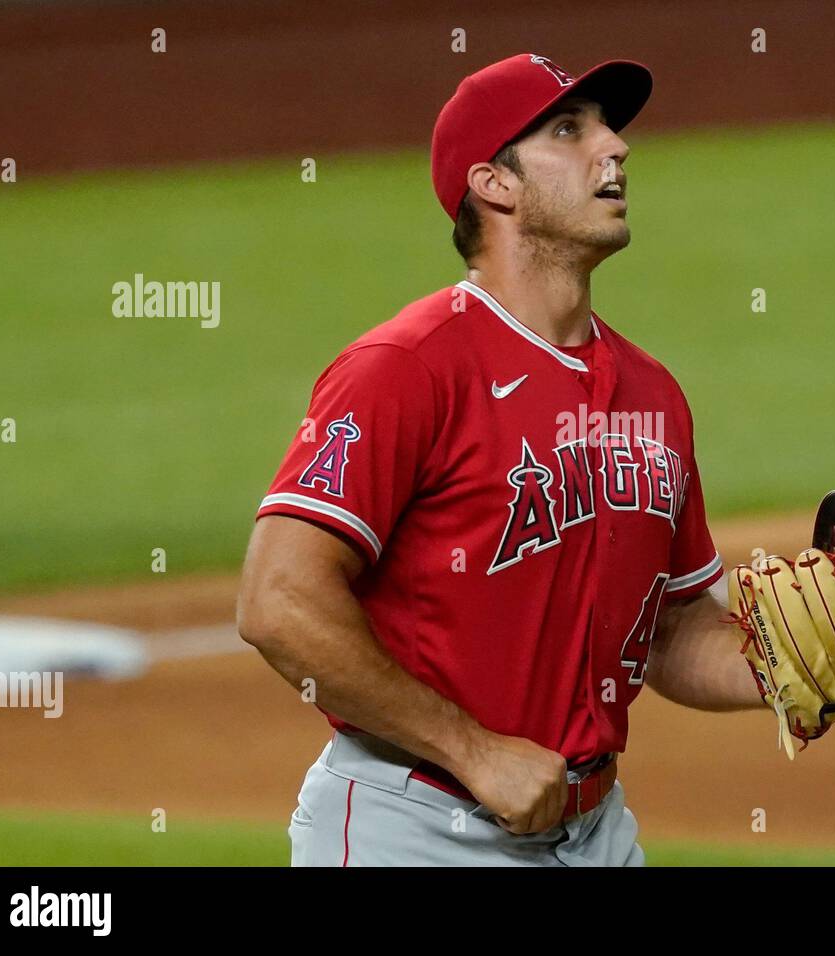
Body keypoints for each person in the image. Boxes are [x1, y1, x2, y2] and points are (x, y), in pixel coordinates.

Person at [237, 53, 761, 867]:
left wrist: (788, 666)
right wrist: (474, 750)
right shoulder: (408, 366)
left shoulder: (655, 394)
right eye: (568, 130)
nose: (614, 147)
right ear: (495, 184)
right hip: (413, 830)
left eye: (608, 126)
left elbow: (667, 632)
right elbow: (277, 600)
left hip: (596, 832)